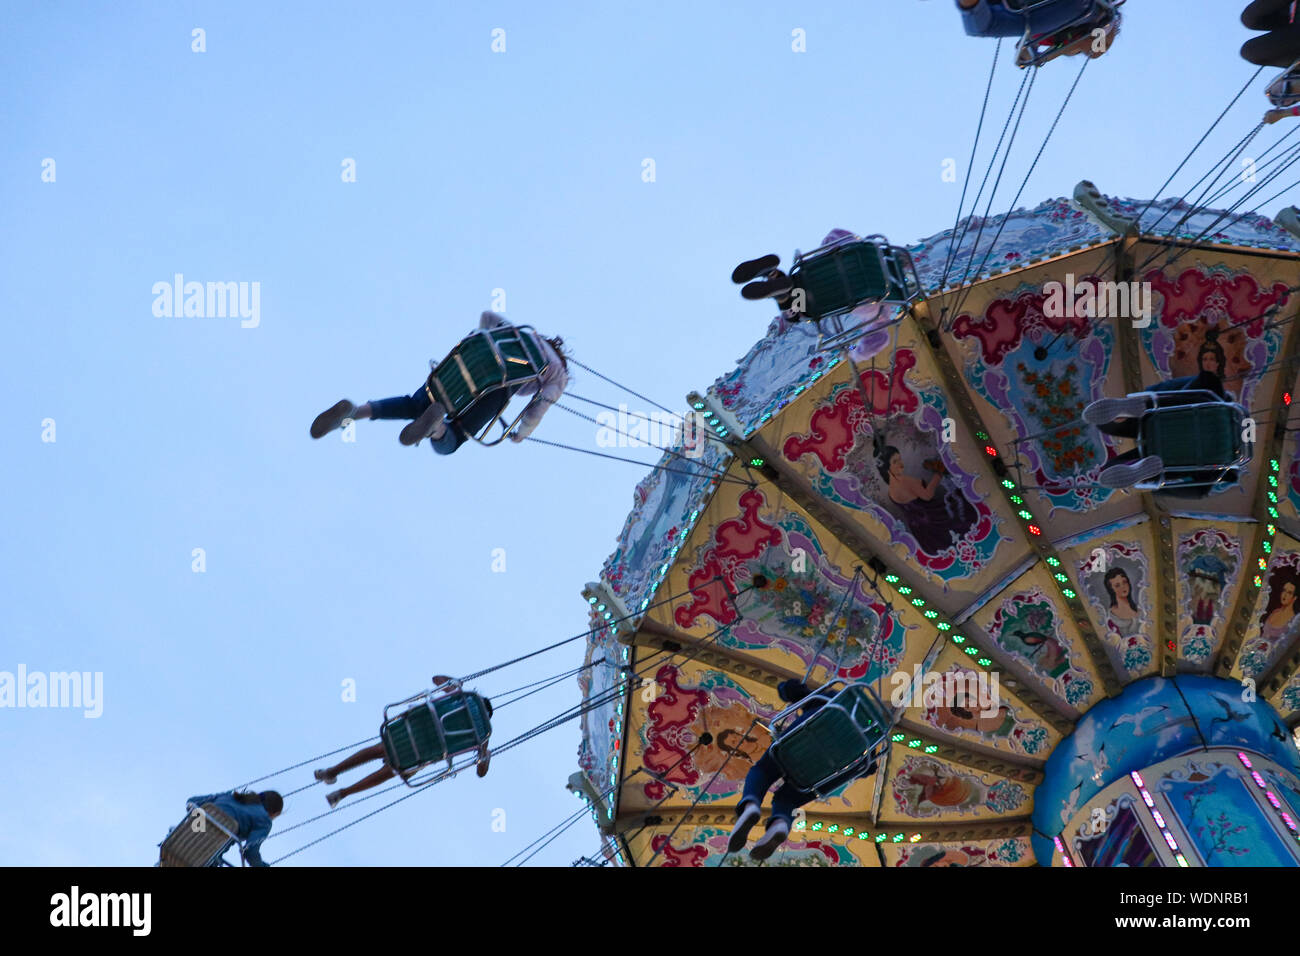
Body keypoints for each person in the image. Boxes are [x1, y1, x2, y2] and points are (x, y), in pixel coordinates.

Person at [310, 312, 569, 453]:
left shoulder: (521, 333)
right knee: (452, 440)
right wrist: (521, 435)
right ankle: (436, 428)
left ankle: (356, 412)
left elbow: (488, 316)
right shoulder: (559, 375)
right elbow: (538, 410)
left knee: (414, 405)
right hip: (495, 389)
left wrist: (485, 343)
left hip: (456, 372)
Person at [727, 679, 878, 861]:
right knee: (788, 799)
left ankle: (750, 805)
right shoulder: (869, 738)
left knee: (764, 770)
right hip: (826, 768)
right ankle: (781, 823)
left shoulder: (828, 698)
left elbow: (790, 689)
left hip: (803, 742)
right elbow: (869, 768)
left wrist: (786, 688)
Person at [1083, 337, 1239, 493]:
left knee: (1109, 425)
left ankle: (1141, 405)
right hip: (1171, 456)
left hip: (1163, 417)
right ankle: (1146, 472)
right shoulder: (1227, 463)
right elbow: (1198, 489)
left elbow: (1180, 387)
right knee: (1112, 469)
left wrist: (1149, 395)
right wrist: (1159, 486)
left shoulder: (1215, 396)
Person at [315, 676, 492, 808]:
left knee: (380, 749)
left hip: (410, 730)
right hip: (421, 752)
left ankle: (331, 771)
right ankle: (343, 793)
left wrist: (453, 684)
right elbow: (481, 772)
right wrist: (485, 756)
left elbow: (436, 679)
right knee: (393, 770)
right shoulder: (483, 735)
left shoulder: (460, 697)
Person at [183, 789, 283, 867]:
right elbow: (250, 851)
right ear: (274, 814)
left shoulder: (229, 796)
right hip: (204, 860)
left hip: (178, 843)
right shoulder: (264, 820)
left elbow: (192, 802)